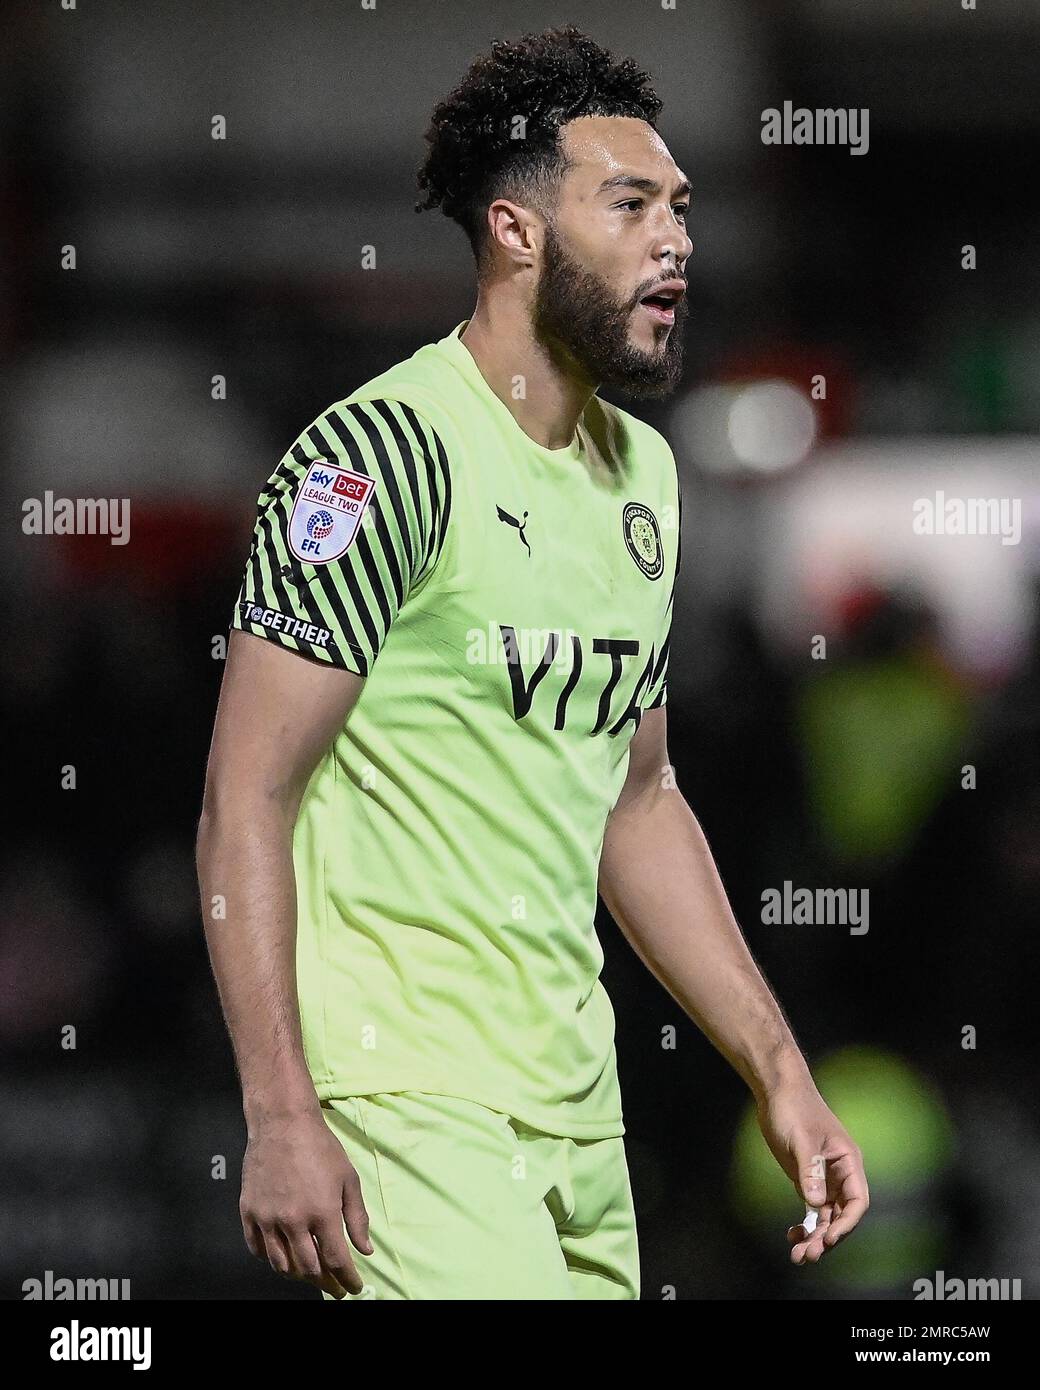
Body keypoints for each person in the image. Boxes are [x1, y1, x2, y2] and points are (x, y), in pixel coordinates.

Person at [196, 24, 868, 1301]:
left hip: (576, 1111)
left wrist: (778, 1069)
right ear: (515, 231)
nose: (675, 238)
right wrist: (281, 1110)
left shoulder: (646, 478)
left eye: (680, 207)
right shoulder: (379, 459)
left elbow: (638, 797)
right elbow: (244, 802)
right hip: (404, 1108)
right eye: (629, 204)